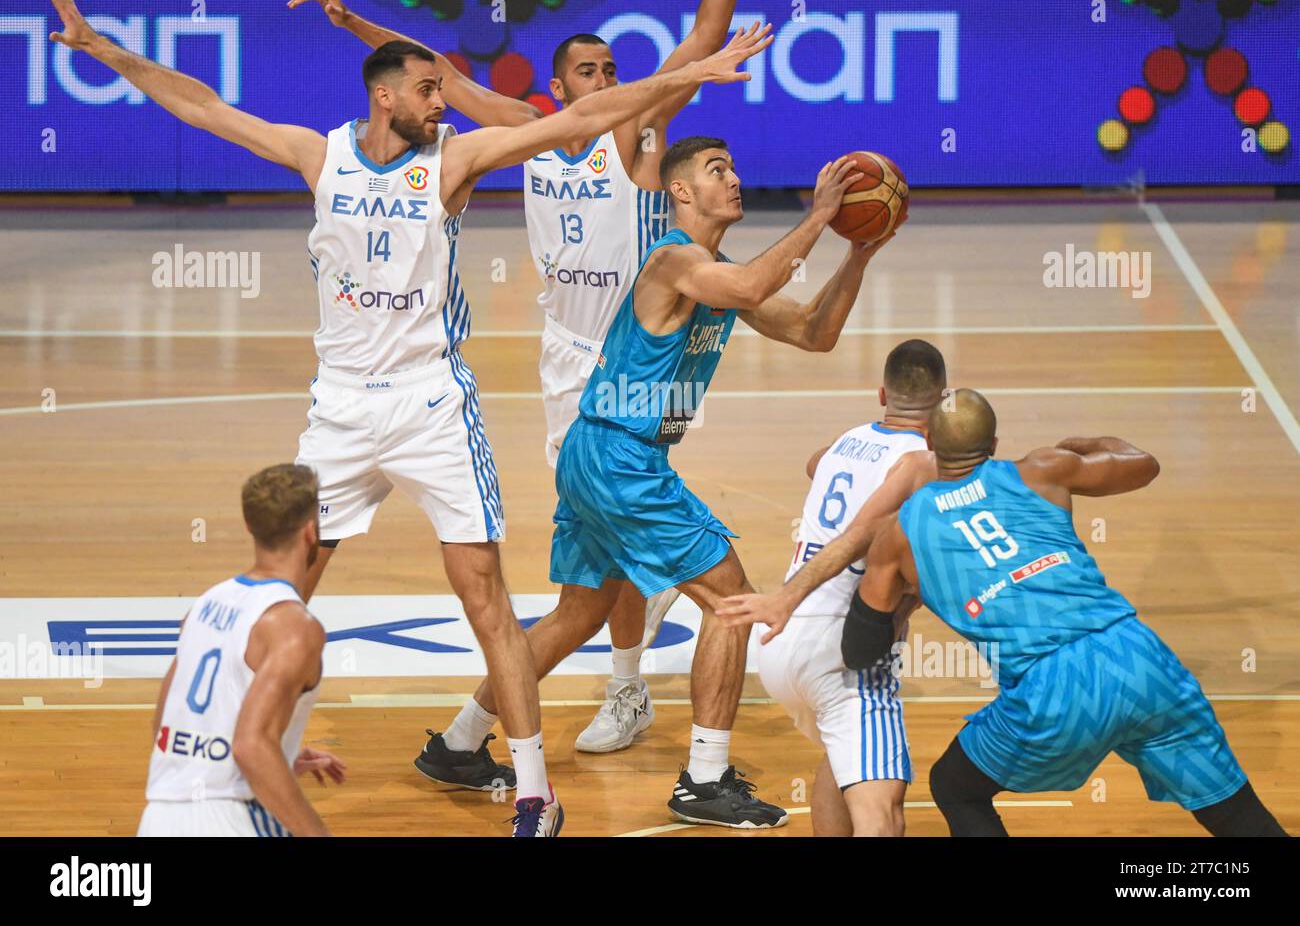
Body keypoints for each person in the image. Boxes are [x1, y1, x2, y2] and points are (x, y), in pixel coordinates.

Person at [45, 0, 772, 835]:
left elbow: (579, 120)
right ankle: (239, 750)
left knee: (485, 595)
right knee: (288, 588)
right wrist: (101, 49)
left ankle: (533, 792)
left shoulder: (454, 160)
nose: (446, 100)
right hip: (342, 410)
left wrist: (686, 76)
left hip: (433, 403)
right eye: (429, 89)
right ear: (385, 96)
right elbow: (203, 105)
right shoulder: (321, 156)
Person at [289, 0, 745, 755]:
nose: (606, 82)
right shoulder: (525, 132)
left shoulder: (634, 136)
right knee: (598, 562)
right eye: (590, 73)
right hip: (564, 361)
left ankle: (626, 682)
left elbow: (702, 39)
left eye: (612, 72)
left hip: (633, 363)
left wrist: (716, 17)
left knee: (613, 540)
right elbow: (440, 76)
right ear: (559, 85)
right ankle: (499, 723)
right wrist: (353, 22)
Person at [426, 139, 904, 829]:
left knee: (578, 615)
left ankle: (459, 742)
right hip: (620, 456)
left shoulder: (716, 273)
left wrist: (857, 254)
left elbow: (813, 331)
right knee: (731, 597)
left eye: (736, 167)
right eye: (718, 171)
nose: (735, 179)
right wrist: (821, 216)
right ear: (681, 193)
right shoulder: (675, 259)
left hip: (601, 452)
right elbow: (749, 289)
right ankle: (703, 780)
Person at [837, 389, 1289, 837]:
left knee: (955, 787)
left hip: (1051, 690)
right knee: (1233, 813)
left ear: (930, 445)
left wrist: (907, 597)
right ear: (994, 445)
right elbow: (1143, 464)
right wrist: (1078, 446)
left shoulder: (901, 532)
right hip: (1141, 660)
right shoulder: (1042, 470)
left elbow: (860, 649)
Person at [740, 340, 945, 836]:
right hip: (841, 643)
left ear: (882, 395)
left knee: (841, 758)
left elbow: (817, 465)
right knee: (882, 813)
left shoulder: (847, 440)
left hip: (780, 650)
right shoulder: (923, 463)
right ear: (944, 400)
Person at [138, 463, 345, 837]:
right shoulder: (296, 628)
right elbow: (250, 746)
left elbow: (166, 725)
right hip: (234, 820)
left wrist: (282, 757)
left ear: (252, 527)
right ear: (311, 532)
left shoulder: (202, 606)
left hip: (160, 818)